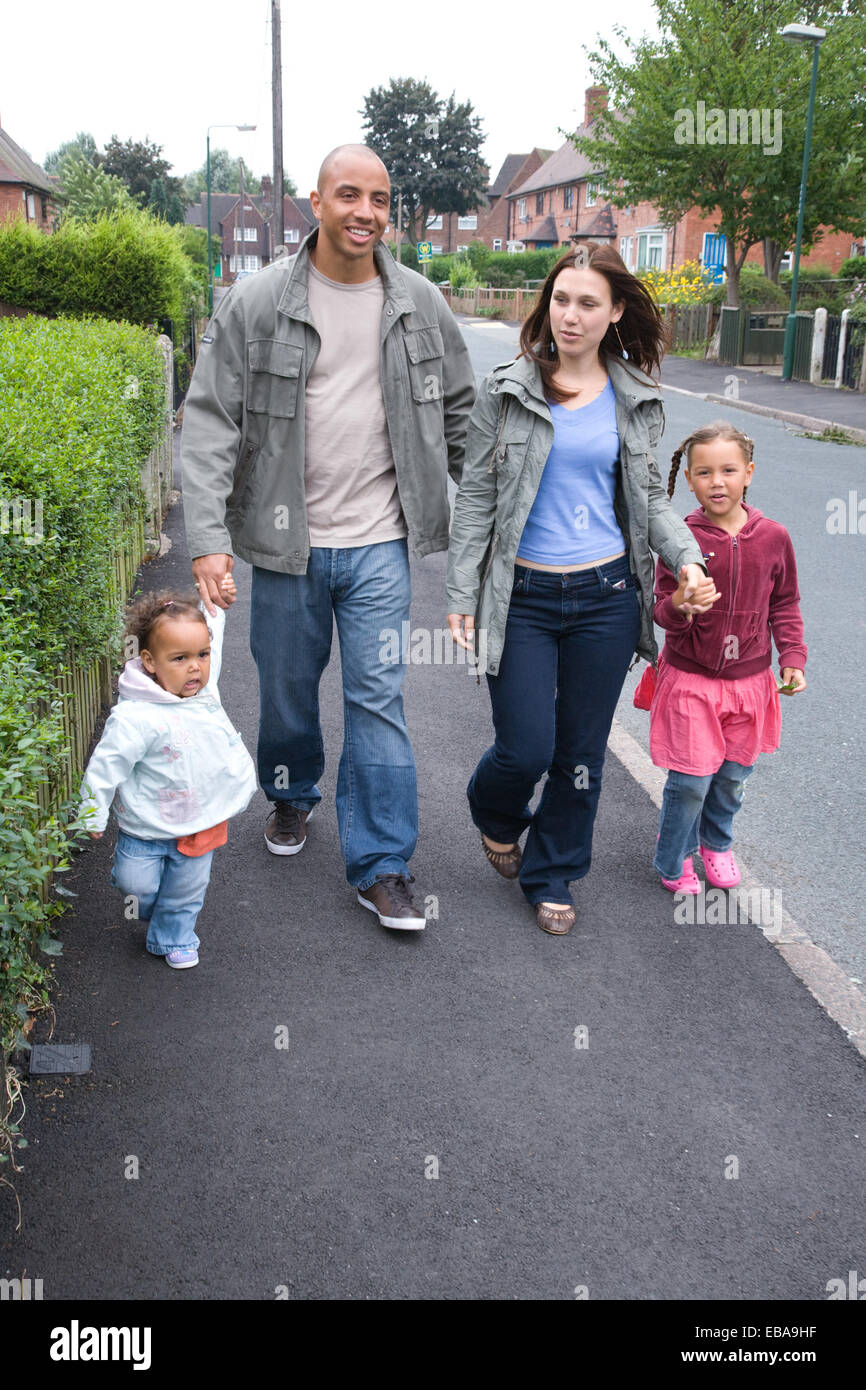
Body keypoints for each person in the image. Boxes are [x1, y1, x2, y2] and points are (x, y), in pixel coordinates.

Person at [181, 144, 474, 932]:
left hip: (380, 541)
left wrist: (505, 518)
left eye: (379, 199)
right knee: (285, 692)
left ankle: (383, 864)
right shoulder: (258, 301)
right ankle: (290, 791)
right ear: (316, 202)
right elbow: (210, 420)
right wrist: (206, 538)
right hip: (286, 543)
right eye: (349, 195)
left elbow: (462, 420)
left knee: (378, 699)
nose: (365, 212)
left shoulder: (420, 303)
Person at [446, 244, 718, 935]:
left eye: (588, 303)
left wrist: (688, 560)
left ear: (615, 311)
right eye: (561, 300)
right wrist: (460, 593)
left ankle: (552, 872)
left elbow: (649, 499)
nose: (570, 315)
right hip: (523, 597)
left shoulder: (635, 398)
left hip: (605, 596)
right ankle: (494, 810)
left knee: (580, 755)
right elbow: (476, 497)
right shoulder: (507, 389)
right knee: (525, 749)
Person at [650, 422, 807, 893]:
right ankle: (674, 855)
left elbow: (785, 603)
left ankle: (716, 844)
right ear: (689, 479)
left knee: (733, 776)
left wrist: (792, 657)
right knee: (692, 780)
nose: (716, 482)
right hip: (691, 680)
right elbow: (661, 608)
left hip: (750, 683)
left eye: (728, 470)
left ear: (749, 473)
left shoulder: (774, 537)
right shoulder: (680, 539)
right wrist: (681, 605)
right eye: (704, 472)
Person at [78, 584, 257, 968]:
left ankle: (173, 937)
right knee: (135, 886)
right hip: (145, 826)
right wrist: (93, 811)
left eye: (202, 655)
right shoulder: (136, 716)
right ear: (149, 661)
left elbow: (213, 629)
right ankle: (150, 907)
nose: (195, 667)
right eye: (180, 658)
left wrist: (215, 599)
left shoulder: (204, 693)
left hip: (200, 819)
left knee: (186, 890)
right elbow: (106, 765)